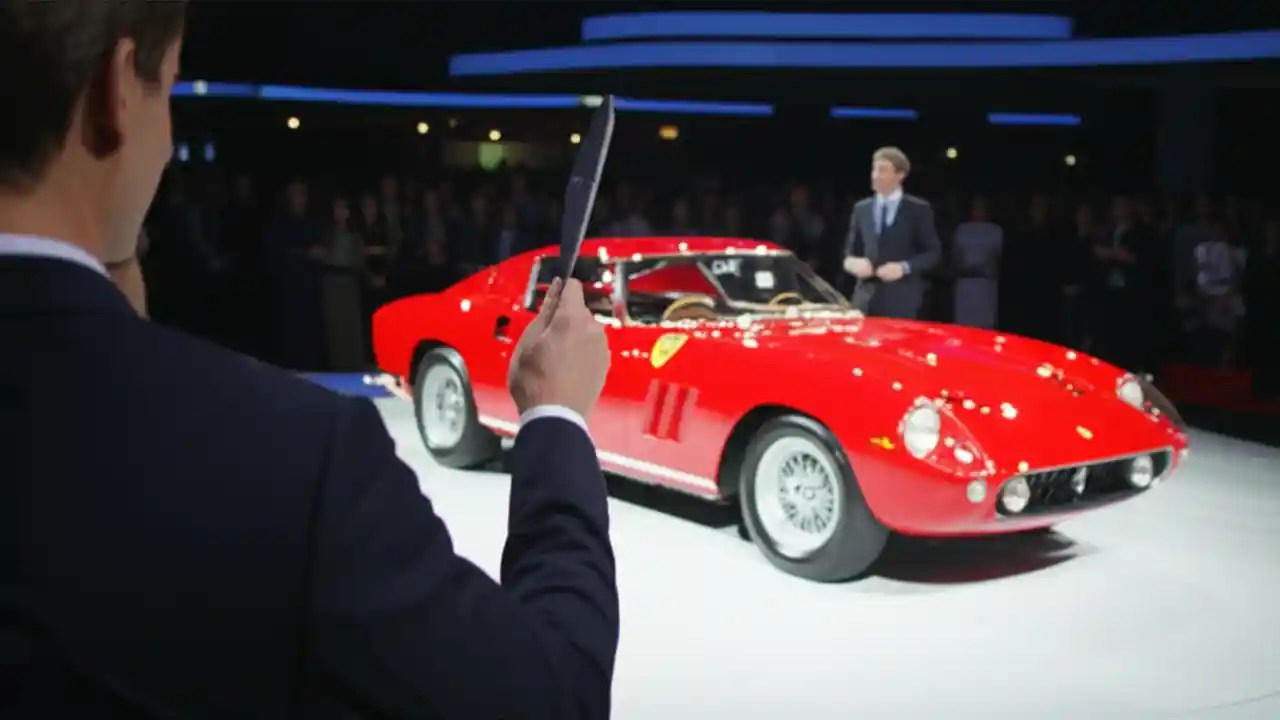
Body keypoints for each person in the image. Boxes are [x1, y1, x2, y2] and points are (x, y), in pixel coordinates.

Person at [0, 3, 618, 718]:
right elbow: (553, 698)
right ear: (116, 93)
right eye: (167, 89)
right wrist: (555, 417)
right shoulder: (298, 458)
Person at [842, 146, 942, 319]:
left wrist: (903, 268)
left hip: (901, 302)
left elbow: (933, 253)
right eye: (874, 169)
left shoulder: (918, 209)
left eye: (882, 170)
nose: (875, 175)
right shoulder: (861, 209)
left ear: (900, 175)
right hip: (864, 301)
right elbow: (849, 253)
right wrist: (853, 264)